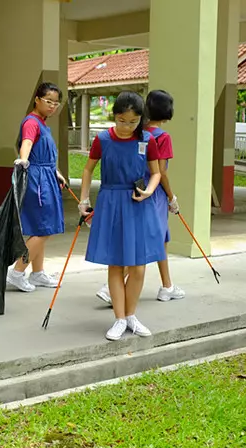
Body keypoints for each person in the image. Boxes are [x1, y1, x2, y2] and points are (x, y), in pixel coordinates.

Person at [79, 91, 166, 341]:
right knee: (116, 263)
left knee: (138, 266)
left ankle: (131, 316)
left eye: (133, 121)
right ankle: (119, 318)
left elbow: (156, 173)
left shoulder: (148, 140)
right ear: (114, 116)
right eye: (122, 120)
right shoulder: (103, 139)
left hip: (139, 203)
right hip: (111, 201)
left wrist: (149, 191)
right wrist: (84, 200)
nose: (127, 126)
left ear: (141, 119)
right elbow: (87, 169)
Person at [95, 90, 185, 305]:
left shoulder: (136, 132)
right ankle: (114, 288)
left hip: (134, 192)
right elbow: (161, 172)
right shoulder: (161, 137)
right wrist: (172, 197)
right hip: (153, 196)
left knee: (145, 241)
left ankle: (167, 285)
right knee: (149, 242)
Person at [6, 82, 67, 292]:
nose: (52, 106)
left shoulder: (43, 123)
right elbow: (27, 143)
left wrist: (55, 172)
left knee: (42, 227)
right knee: (44, 228)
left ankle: (38, 273)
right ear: (37, 100)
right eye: (48, 101)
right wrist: (23, 160)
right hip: (38, 181)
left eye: (56, 103)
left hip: (46, 175)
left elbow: (42, 152)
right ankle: (17, 272)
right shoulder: (31, 122)